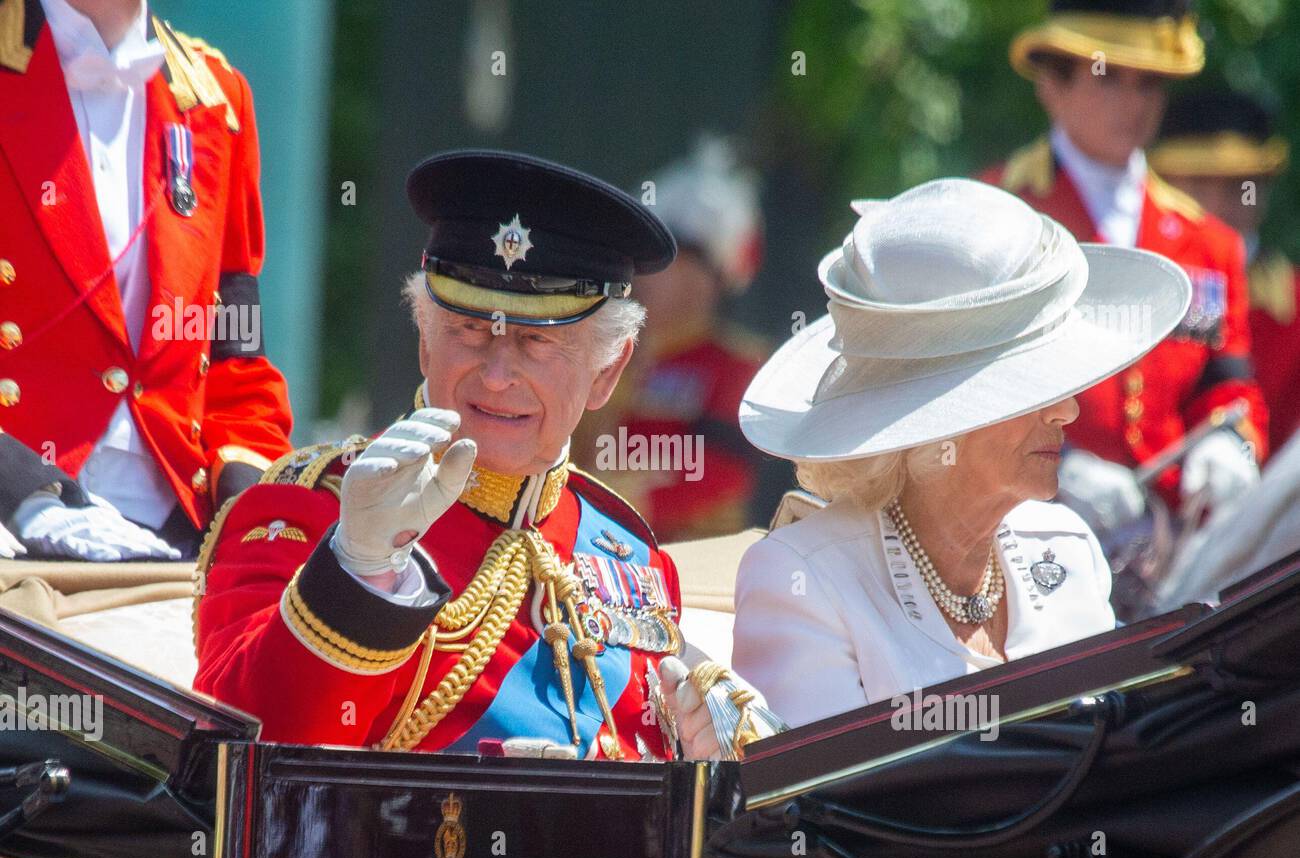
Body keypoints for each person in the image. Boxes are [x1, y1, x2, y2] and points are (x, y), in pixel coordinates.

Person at [194, 150, 766, 761]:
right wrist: (356, 571)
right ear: (423, 340)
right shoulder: (305, 509)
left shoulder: (629, 548)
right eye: (468, 331)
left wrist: (718, 770)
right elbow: (243, 760)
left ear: (608, 369)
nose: (496, 376)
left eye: (537, 343)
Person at [731, 178, 1191, 728]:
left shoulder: (1068, 552)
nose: (1067, 411)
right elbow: (824, 808)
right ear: (934, 425)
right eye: (1030, 387)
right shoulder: (802, 582)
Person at [0, 0, 292, 561]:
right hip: (13, 533)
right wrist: (26, 496)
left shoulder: (218, 97)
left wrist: (251, 516)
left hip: (176, 544)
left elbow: (236, 359)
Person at [981, 0, 1265, 533]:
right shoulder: (993, 217)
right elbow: (961, 390)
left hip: (1169, 546)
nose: (1134, 103)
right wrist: (1056, 467)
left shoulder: (1210, 245)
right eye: (1109, 77)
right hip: (1023, 531)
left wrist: (1231, 445)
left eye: (1151, 84)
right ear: (1051, 84)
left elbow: (1227, 389)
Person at [573, 137, 769, 541]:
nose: (640, 275)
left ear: (703, 278)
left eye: (659, 263)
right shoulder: (605, 349)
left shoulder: (738, 365)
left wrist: (614, 500)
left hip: (689, 556)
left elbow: (722, 472)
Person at [1149, 89, 1300, 458]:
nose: (1217, 205)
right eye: (1198, 186)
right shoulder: (1133, 293)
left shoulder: (1294, 300)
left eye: (1238, 186)